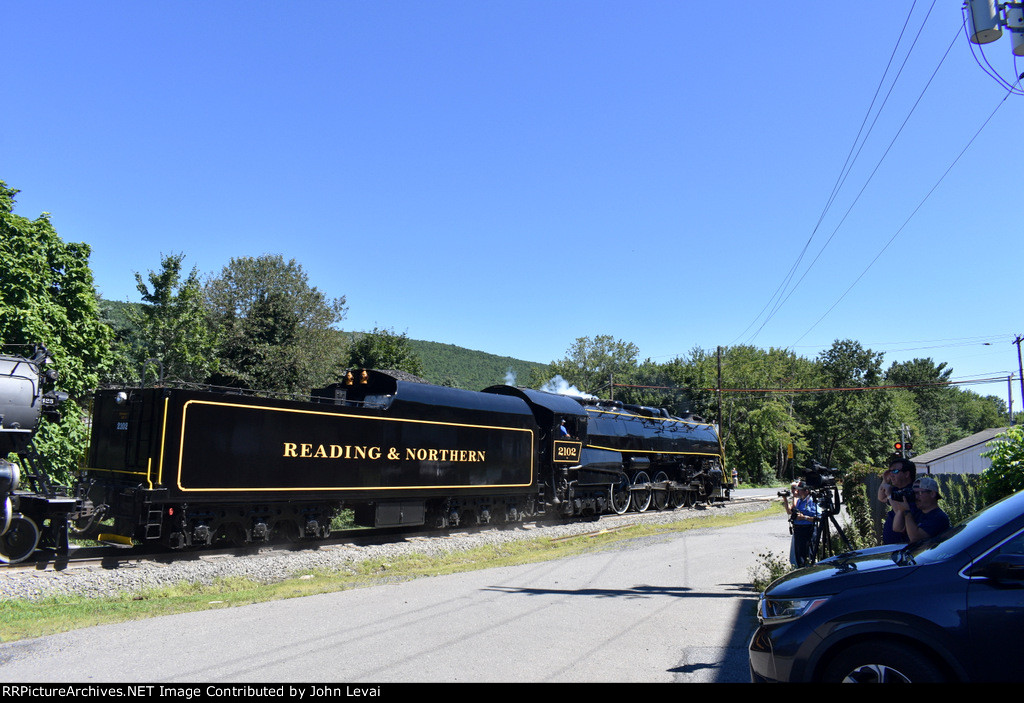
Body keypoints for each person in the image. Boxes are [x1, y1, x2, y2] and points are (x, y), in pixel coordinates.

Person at [891, 476, 950, 543]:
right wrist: (901, 509)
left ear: (932, 494)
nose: (915, 497)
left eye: (918, 493)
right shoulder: (918, 513)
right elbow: (897, 528)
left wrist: (907, 513)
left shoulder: (939, 517)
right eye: (914, 493)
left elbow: (915, 538)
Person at [878, 458, 916, 544]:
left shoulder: (912, 492)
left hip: (904, 545)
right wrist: (885, 480)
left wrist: (889, 495)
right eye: (890, 471)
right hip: (891, 545)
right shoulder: (896, 489)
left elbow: (900, 511)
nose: (891, 475)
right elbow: (881, 498)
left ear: (906, 474)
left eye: (895, 471)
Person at [783, 480, 820, 566]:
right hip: (798, 530)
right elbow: (790, 512)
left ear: (806, 491)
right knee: (799, 555)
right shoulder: (800, 501)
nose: (797, 491)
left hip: (808, 530)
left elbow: (818, 518)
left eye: (799, 490)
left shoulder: (811, 501)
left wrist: (804, 517)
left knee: (808, 554)